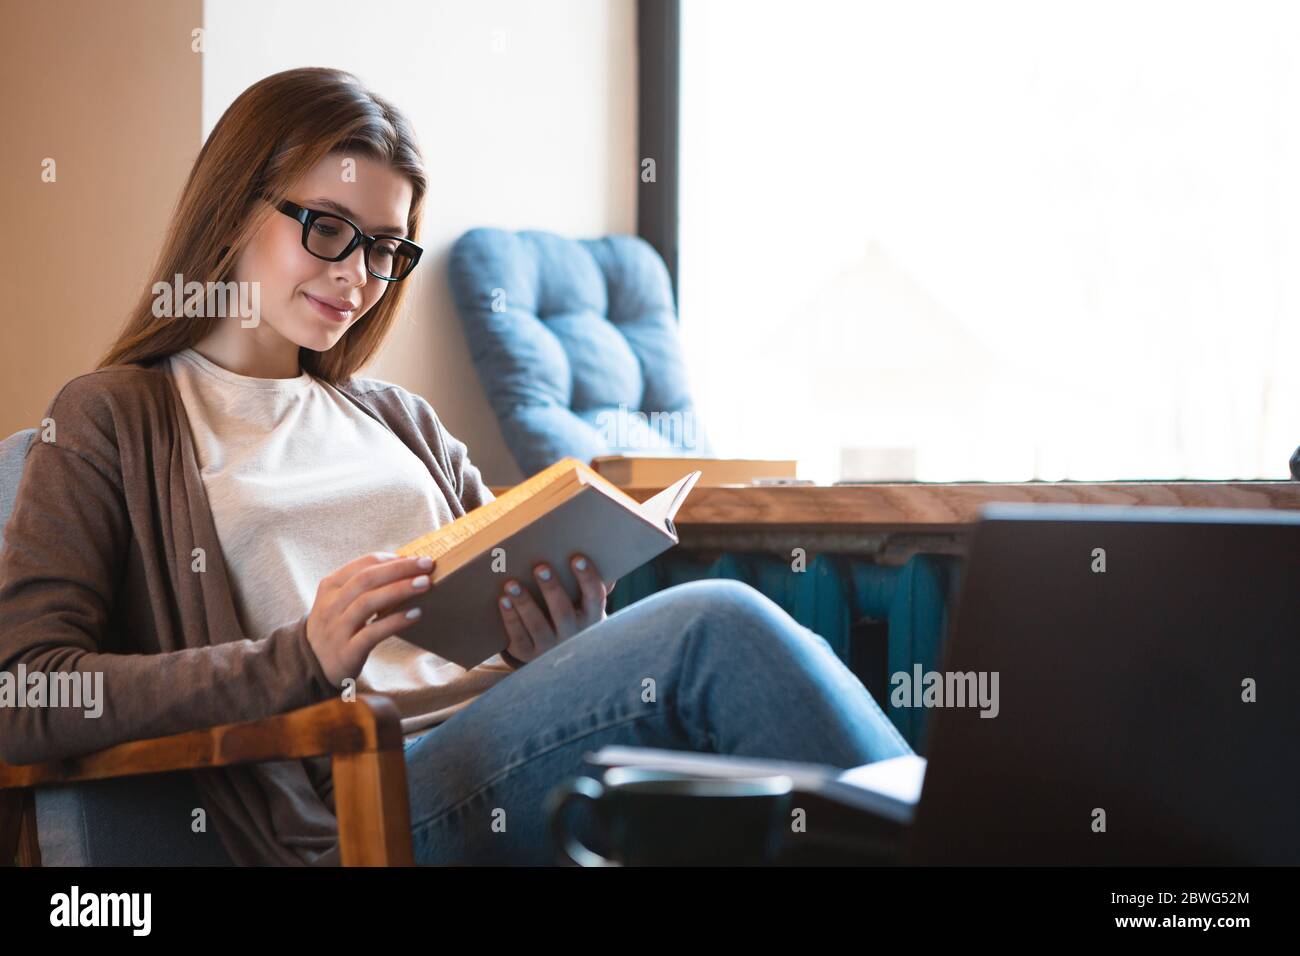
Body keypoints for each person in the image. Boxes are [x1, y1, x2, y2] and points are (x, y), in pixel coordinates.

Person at [0, 67, 911, 866]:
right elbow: (25, 689)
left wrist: (553, 642)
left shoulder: (401, 419)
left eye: (385, 247)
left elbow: (504, 614)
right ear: (234, 205)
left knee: (745, 744)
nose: (358, 274)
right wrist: (298, 660)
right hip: (361, 800)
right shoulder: (114, 418)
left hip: (507, 742)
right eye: (328, 228)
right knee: (715, 627)